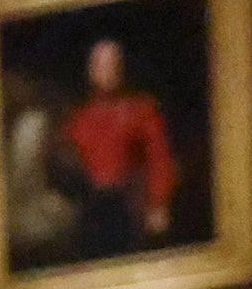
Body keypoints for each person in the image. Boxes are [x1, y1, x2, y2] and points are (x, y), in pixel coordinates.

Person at [49, 38, 183, 254]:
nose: (108, 71)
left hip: (131, 208)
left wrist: (158, 204)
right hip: (91, 210)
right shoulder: (78, 118)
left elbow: (160, 159)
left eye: (113, 64)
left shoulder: (142, 109)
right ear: (91, 71)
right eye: (101, 65)